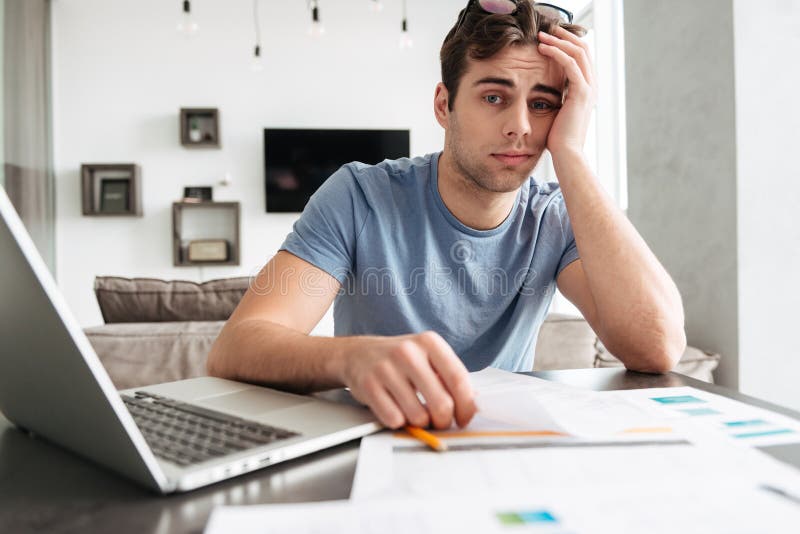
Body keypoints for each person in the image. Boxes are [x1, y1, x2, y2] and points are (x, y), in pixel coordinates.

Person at [207, 0, 686, 432]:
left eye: (541, 105)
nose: (520, 125)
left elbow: (657, 347)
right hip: (378, 436)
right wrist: (351, 358)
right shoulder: (360, 194)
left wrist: (572, 154)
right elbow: (237, 348)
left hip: (501, 443)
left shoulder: (554, 216)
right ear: (444, 105)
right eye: (494, 97)